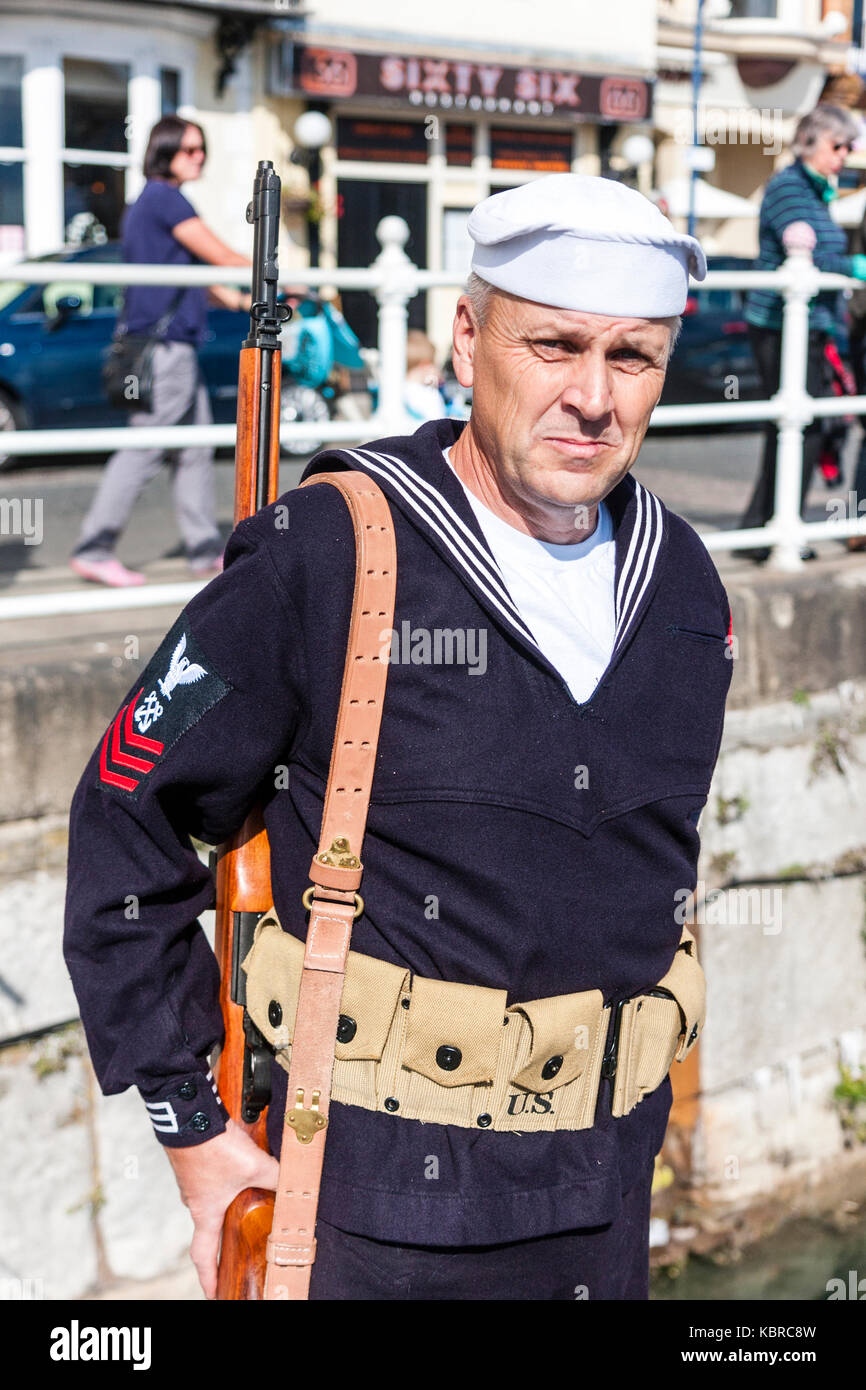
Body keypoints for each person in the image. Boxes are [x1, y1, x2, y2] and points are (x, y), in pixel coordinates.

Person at [64, 173, 733, 1301]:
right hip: (370, 1222)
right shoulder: (334, 554)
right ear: (467, 341)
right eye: (553, 345)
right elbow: (126, 815)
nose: (591, 397)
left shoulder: (682, 586)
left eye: (631, 358)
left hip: (607, 1212)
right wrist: (197, 1144)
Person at [70, 115, 250, 588]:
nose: (200, 158)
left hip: (173, 344)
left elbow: (195, 277)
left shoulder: (149, 202)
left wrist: (238, 299)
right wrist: (286, 279)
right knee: (145, 446)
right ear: (164, 151)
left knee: (193, 449)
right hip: (164, 348)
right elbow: (221, 256)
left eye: (202, 149)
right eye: (190, 150)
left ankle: (203, 550)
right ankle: (95, 547)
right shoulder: (165, 199)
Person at [737, 103, 866, 563]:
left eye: (849, 146)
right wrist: (853, 266)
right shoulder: (791, 186)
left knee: (794, 425)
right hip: (781, 325)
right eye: (838, 145)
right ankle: (772, 528)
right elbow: (813, 252)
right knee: (799, 425)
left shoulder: (815, 189)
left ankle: (765, 526)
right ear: (810, 142)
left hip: (809, 327)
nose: (845, 154)